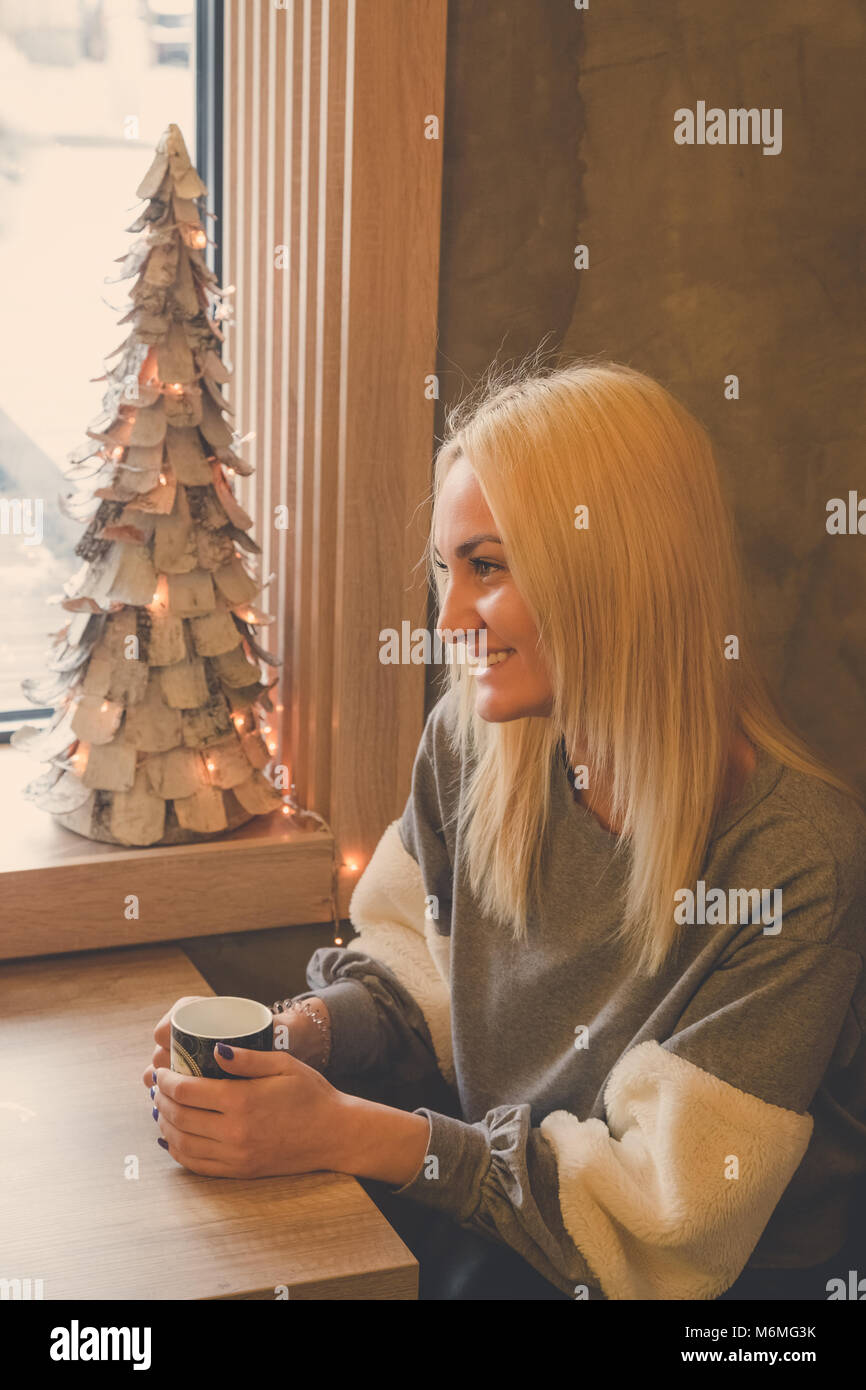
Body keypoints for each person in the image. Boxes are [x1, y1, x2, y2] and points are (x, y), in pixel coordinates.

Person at [145, 357, 866, 1300]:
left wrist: (344, 1130)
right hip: (510, 1219)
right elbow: (419, 987)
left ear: (614, 570)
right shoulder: (472, 746)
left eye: (486, 568)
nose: (448, 617)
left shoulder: (795, 855)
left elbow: (663, 1223)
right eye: (446, 569)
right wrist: (297, 1036)